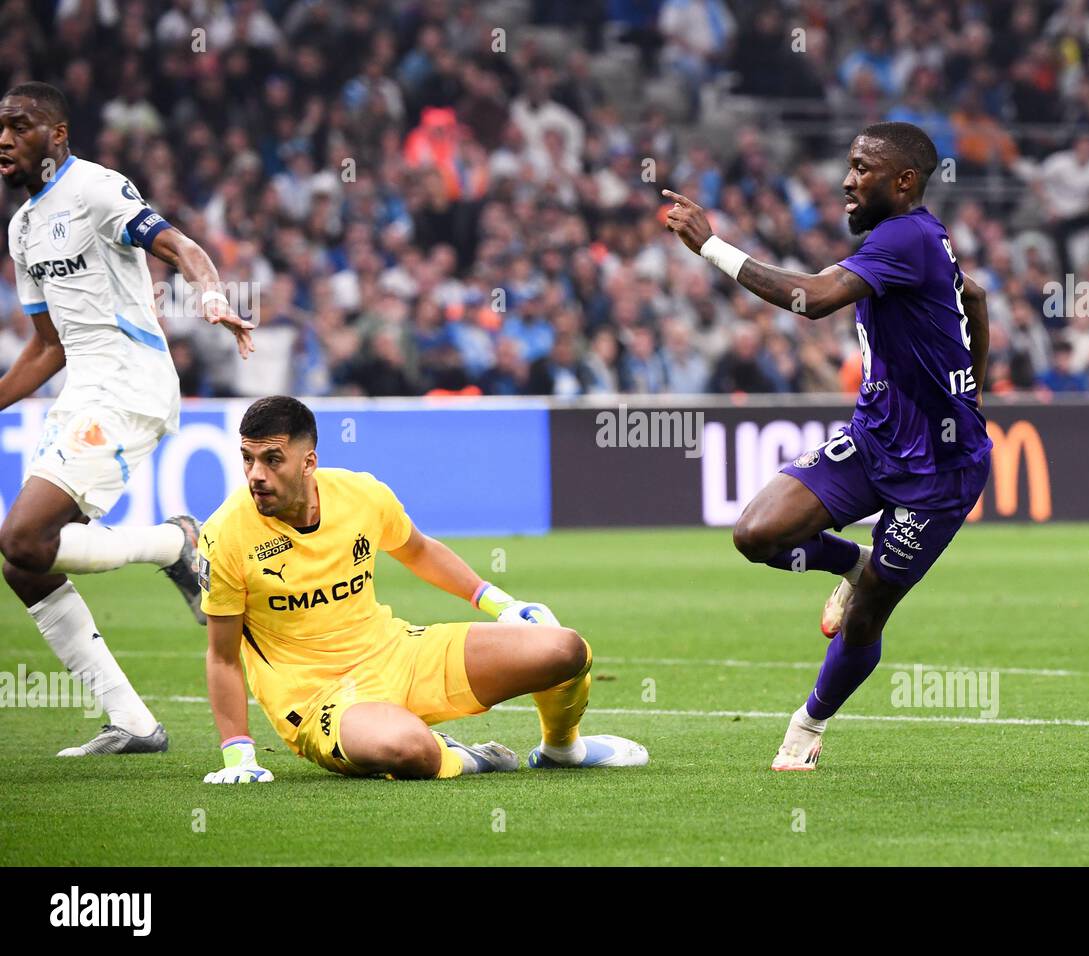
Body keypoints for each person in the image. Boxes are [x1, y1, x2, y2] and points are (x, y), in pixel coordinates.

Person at [662, 121, 991, 771]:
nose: (847, 179)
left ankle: (807, 726)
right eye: (849, 164)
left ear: (902, 182)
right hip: (874, 438)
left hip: (939, 472)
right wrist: (974, 385)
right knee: (756, 535)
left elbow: (810, 301)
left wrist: (712, 248)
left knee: (866, 617)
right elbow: (974, 297)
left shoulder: (905, 235)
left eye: (863, 168)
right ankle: (849, 560)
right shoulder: (916, 238)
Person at [199, 396, 648, 782]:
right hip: (320, 701)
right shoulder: (226, 533)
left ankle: (562, 750)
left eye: (272, 459)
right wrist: (239, 753)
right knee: (406, 749)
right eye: (247, 458)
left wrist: (502, 604)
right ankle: (461, 756)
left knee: (563, 649)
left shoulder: (361, 494)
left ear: (308, 462)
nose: (256, 474)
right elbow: (222, 655)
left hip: (398, 652)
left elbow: (418, 550)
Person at [0, 82, 254, 756]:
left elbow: (179, 246)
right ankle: (134, 723)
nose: (2, 139)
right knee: (24, 565)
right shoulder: (22, 228)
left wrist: (211, 297)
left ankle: (176, 544)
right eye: (0, 126)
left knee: (21, 535)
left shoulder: (96, 189)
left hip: (130, 382)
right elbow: (46, 347)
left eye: (18, 125)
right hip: (82, 390)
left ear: (56, 134)